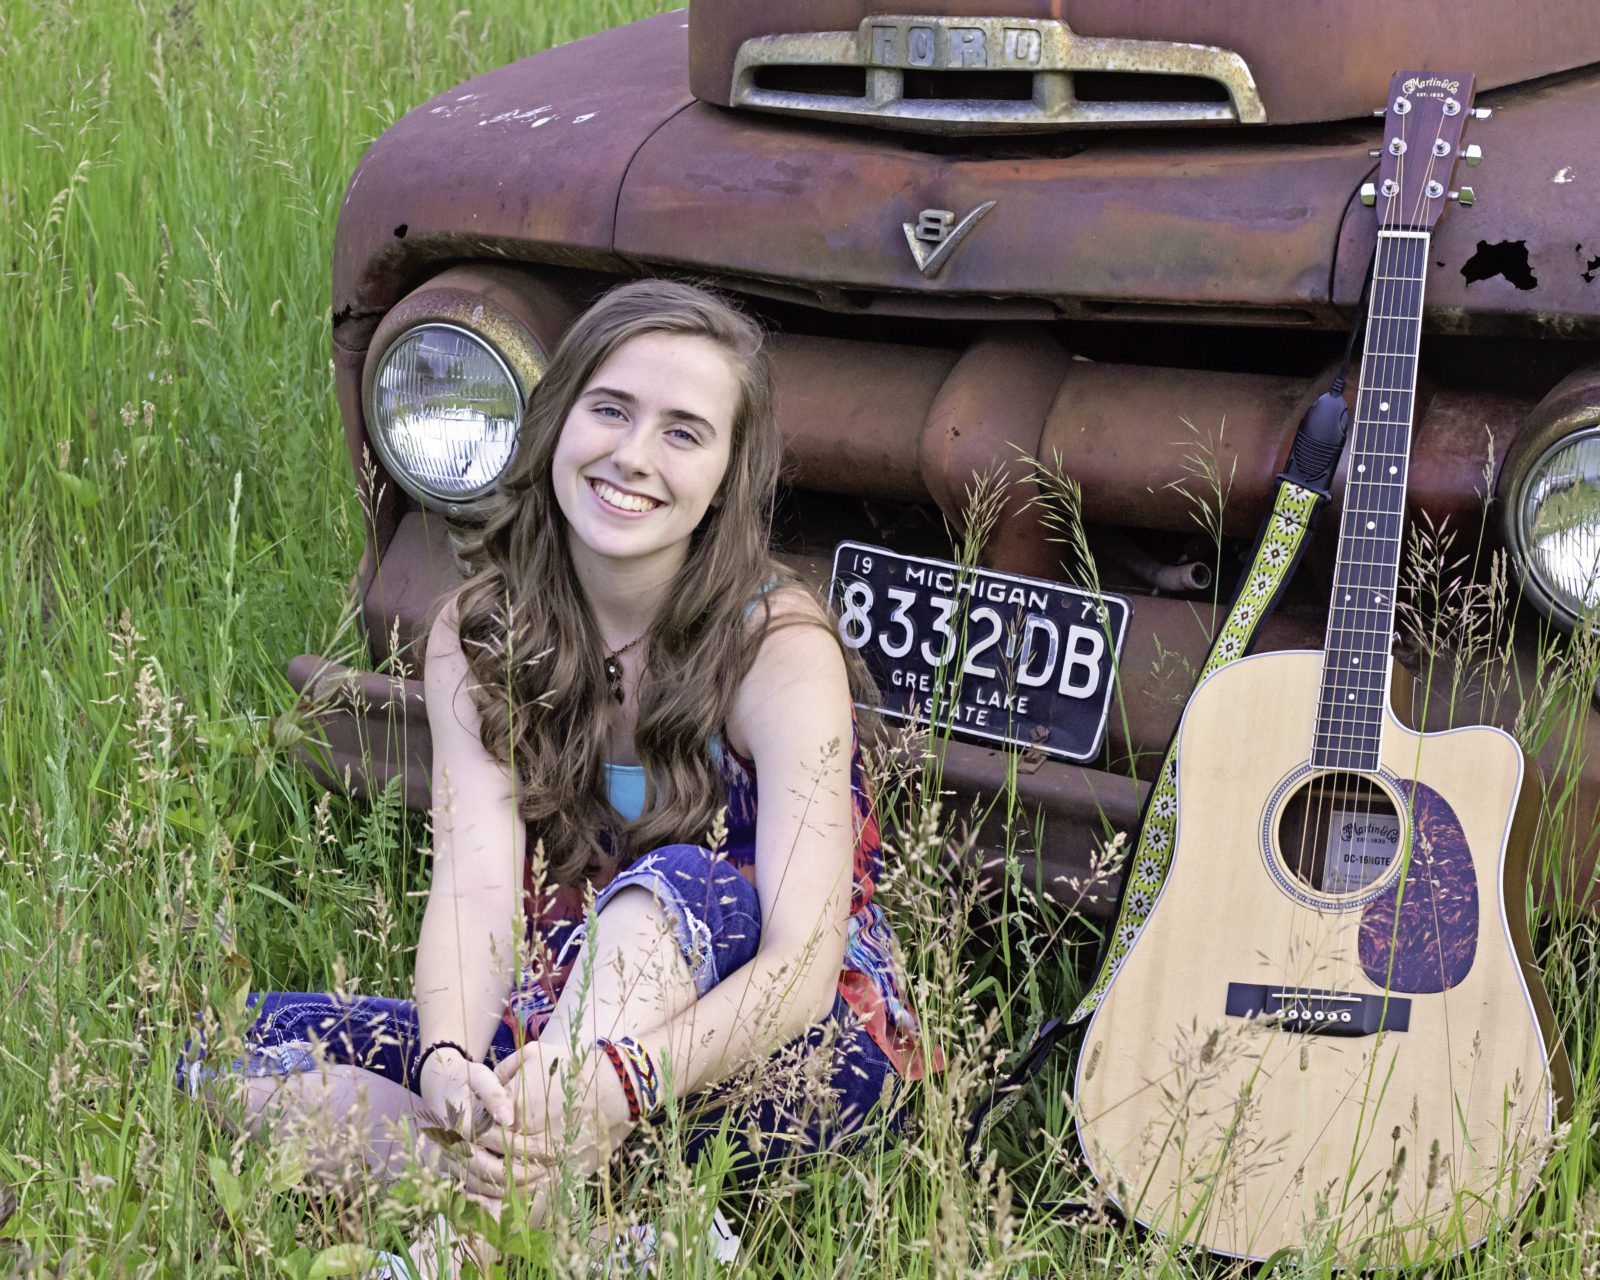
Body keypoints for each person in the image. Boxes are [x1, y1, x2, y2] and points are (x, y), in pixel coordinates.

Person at [184, 280, 927, 1272]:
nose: (632, 454)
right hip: (563, 1025)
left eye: (683, 432)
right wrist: (451, 1061)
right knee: (231, 1054)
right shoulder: (482, 633)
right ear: (555, 419)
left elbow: (799, 961)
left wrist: (616, 1085)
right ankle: (589, 1223)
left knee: (679, 880)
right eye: (610, 409)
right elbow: (478, 890)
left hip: (788, 1056)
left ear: (726, 478)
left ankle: (469, 1245)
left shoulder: (776, 645)